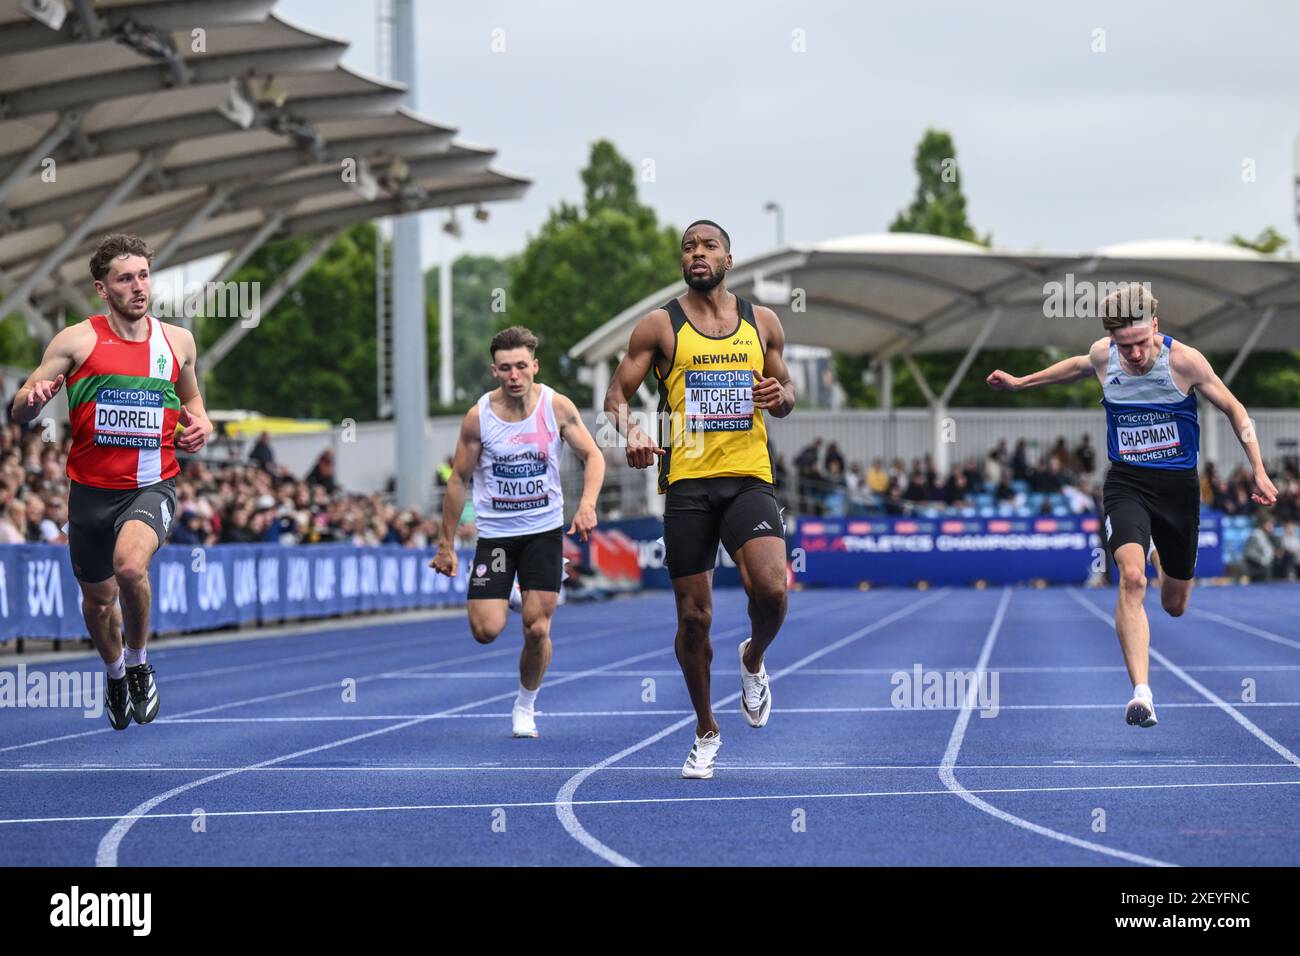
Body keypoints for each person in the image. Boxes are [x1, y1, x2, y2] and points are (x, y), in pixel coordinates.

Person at [987, 281, 1276, 727]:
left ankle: (1162, 549)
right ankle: (1141, 692)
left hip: (1179, 489)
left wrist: (1257, 468)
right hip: (1127, 483)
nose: (1135, 354)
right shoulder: (1106, 356)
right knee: (1133, 579)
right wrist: (1022, 382)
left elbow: (1237, 411)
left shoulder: (1185, 361)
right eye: (1126, 347)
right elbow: (1078, 366)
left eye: (1141, 343)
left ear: (1155, 327)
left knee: (1175, 604)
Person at [604, 219, 795, 779]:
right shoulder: (660, 326)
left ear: (729, 259)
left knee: (773, 591)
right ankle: (706, 730)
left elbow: (786, 399)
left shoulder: (762, 322)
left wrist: (777, 394)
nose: (697, 253)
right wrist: (634, 432)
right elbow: (617, 395)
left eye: (709, 245)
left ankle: (753, 658)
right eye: (689, 247)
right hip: (687, 482)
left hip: (748, 476)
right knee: (694, 618)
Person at [11, 233, 213, 730]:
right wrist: (32, 402)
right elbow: (20, 407)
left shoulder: (176, 341)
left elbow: (192, 401)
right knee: (99, 602)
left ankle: (141, 662)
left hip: (152, 484)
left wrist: (201, 423)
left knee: (129, 569)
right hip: (90, 494)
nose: (138, 287)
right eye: (125, 278)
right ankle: (116, 671)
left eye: (144, 275)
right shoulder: (77, 340)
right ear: (103, 289)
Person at [430, 326, 603, 738]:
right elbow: (458, 479)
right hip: (497, 535)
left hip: (543, 530)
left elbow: (593, 455)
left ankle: (525, 704)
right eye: (505, 368)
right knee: (486, 631)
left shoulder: (556, 407)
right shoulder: (479, 417)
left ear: (534, 367)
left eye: (521, 366)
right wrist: (445, 544)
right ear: (494, 371)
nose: (514, 375)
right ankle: (508, 591)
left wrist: (587, 504)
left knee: (537, 628)